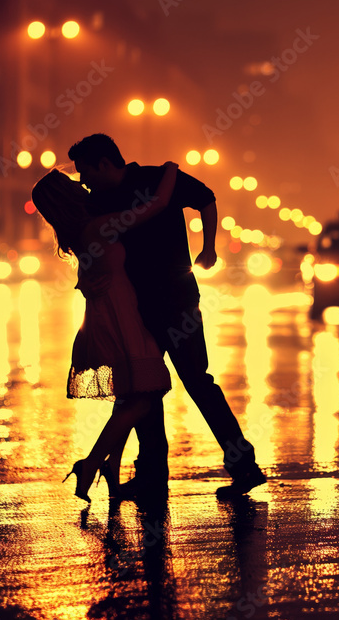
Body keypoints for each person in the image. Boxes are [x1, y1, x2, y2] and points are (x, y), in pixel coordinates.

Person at [68, 134, 266, 501]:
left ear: (104, 164)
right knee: (146, 387)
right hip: (138, 309)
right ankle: (152, 475)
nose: (84, 181)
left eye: (85, 172)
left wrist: (209, 246)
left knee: (197, 382)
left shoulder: (153, 179)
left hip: (177, 302)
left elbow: (206, 197)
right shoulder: (101, 202)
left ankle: (244, 467)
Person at [30, 162, 178, 503]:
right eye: (72, 184)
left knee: (131, 394)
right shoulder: (98, 227)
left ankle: (110, 464)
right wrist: (172, 168)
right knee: (148, 393)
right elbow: (155, 205)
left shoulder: (80, 233)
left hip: (107, 315)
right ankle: (92, 462)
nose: (80, 184)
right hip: (119, 317)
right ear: (66, 196)